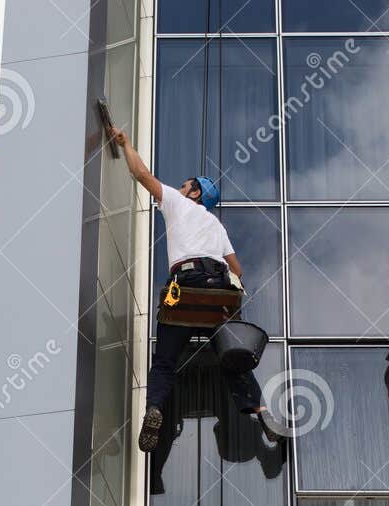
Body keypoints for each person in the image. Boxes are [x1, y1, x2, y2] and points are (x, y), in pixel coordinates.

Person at [109, 127, 276, 452]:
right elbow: (238, 271)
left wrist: (126, 143)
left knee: (164, 363)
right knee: (232, 357)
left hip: (186, 289)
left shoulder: (177, 203)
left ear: (195, 194)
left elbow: (141, 174)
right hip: (217, 295)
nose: (181, 186)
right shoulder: (216, 225)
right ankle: (263, 411)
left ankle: (155, 408)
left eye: (187, 185)